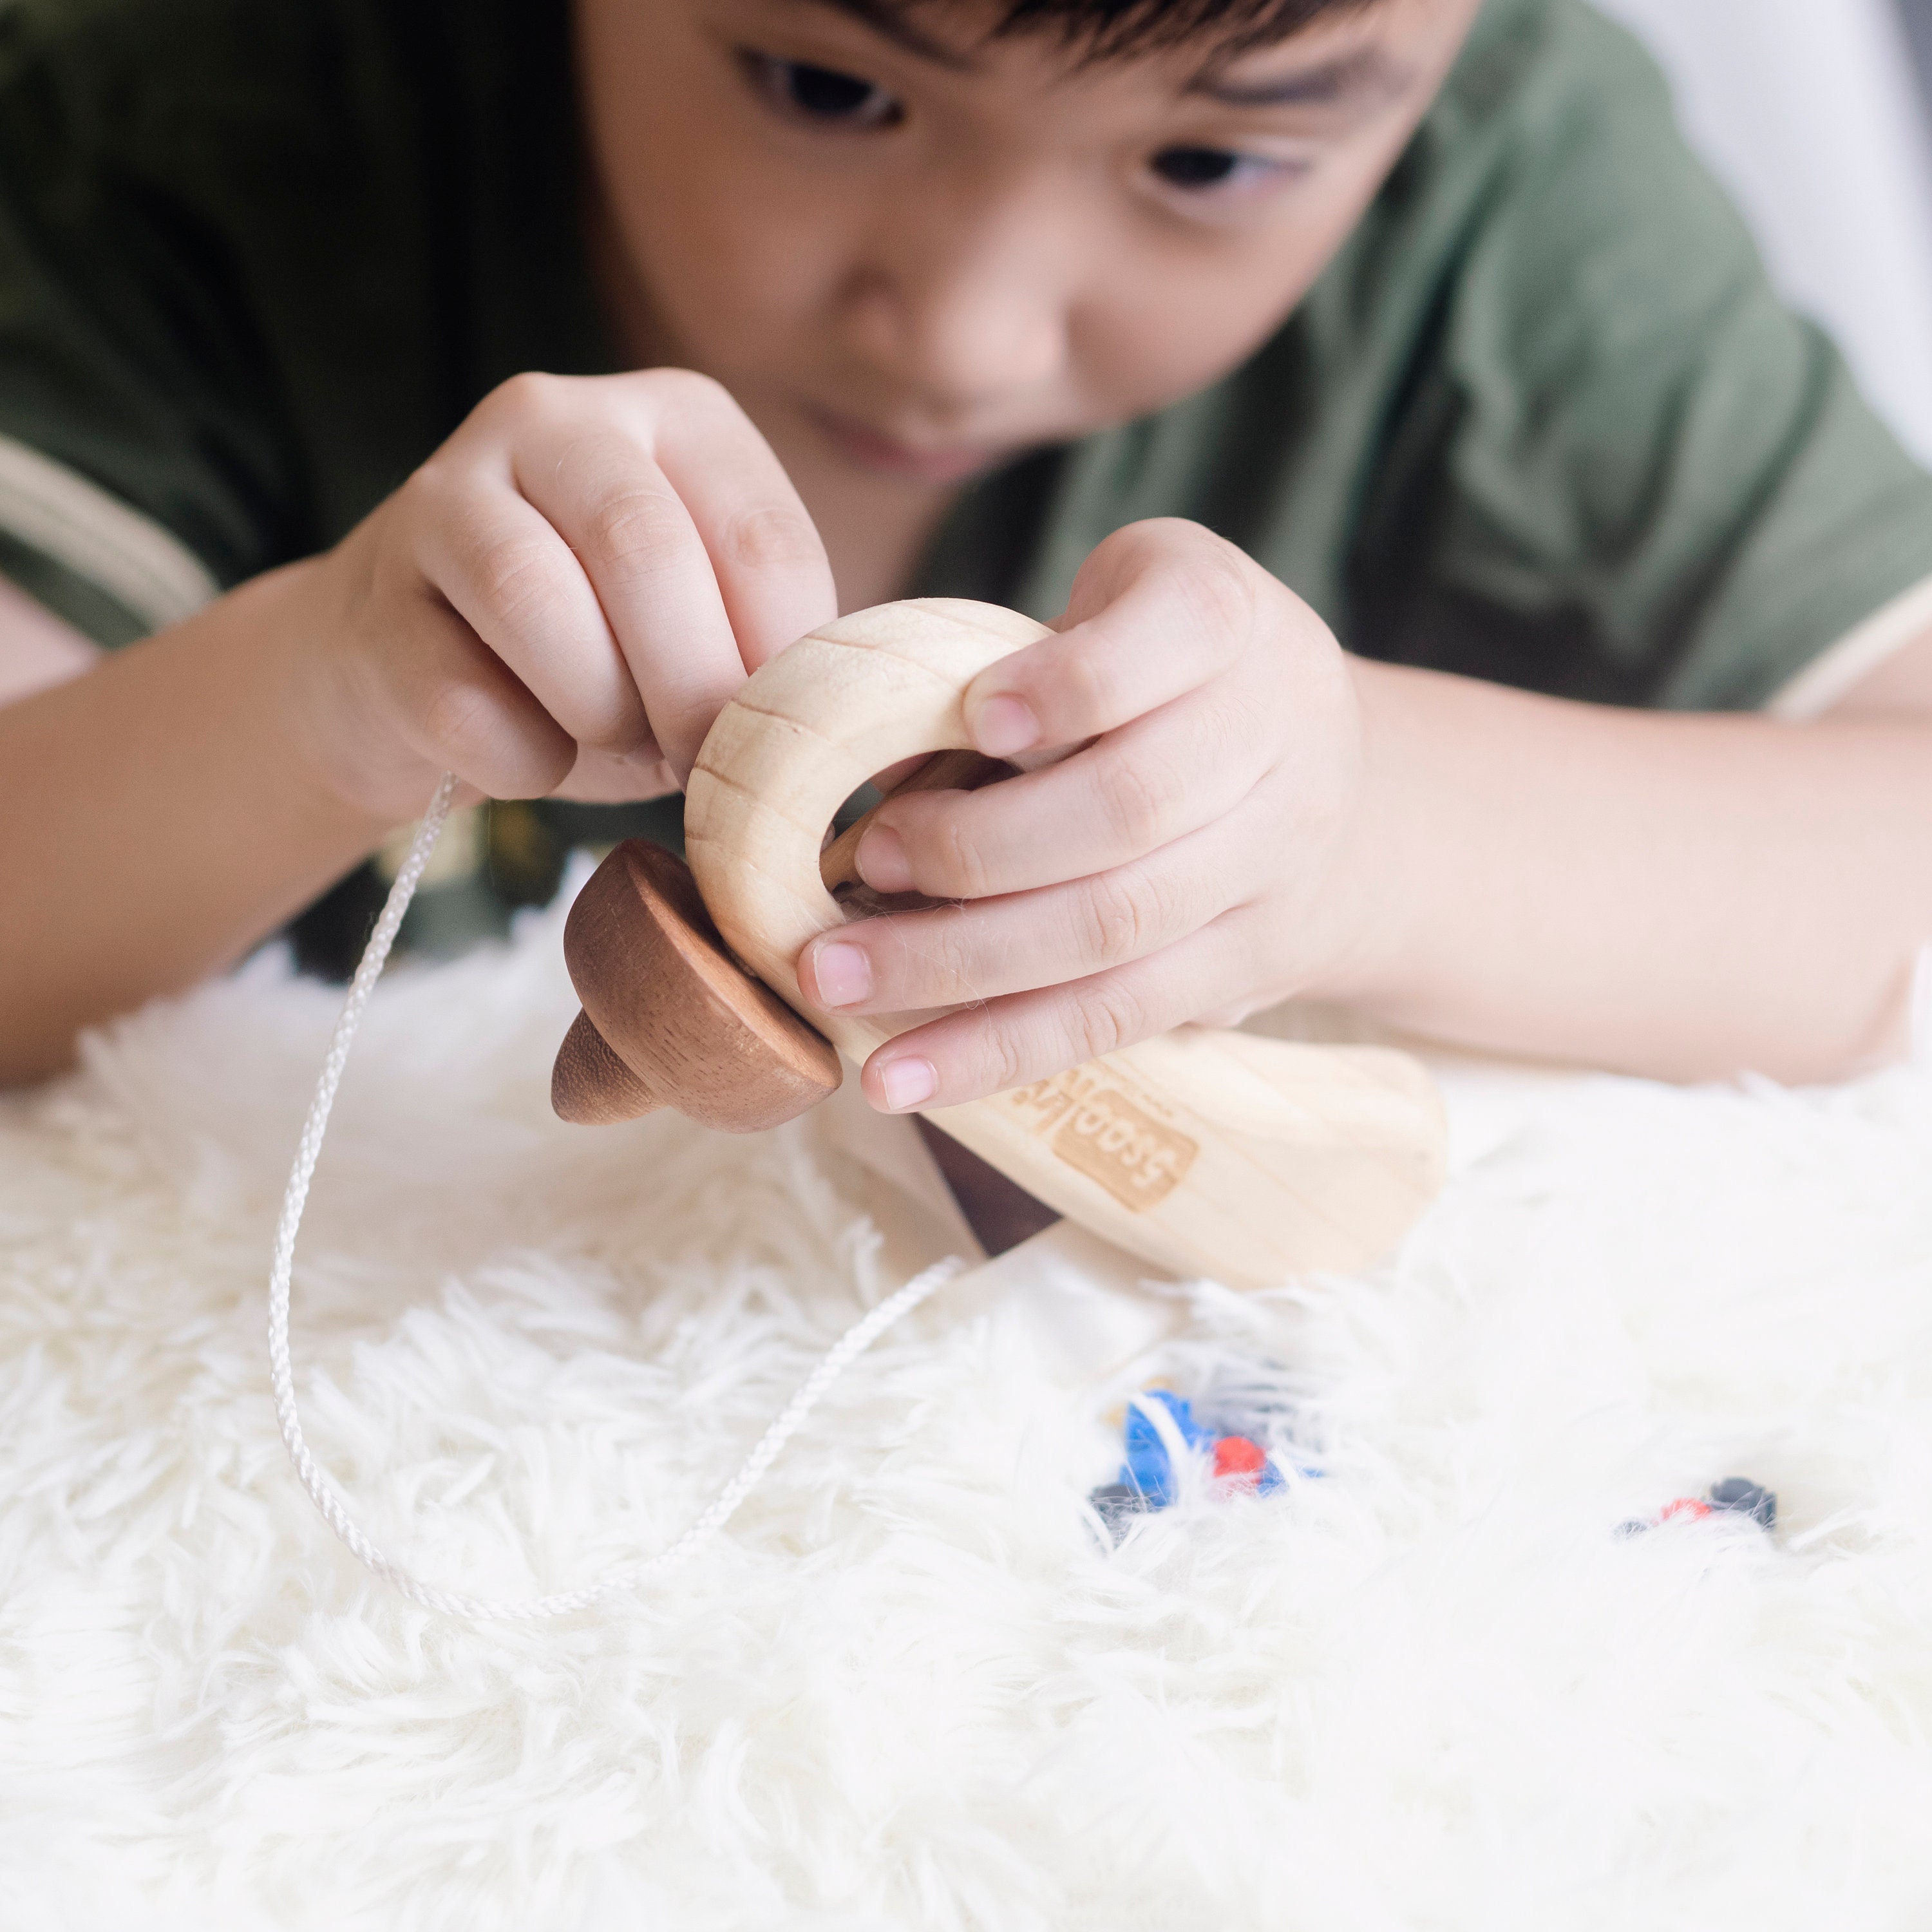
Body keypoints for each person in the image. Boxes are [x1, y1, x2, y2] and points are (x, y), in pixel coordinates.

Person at [1, 0, 1929, 1110]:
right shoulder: (202, 111)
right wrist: (320, 694)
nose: (970, 329)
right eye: (833, 89)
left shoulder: (1511, 203)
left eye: (1210, 165)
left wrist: (1361, 829)